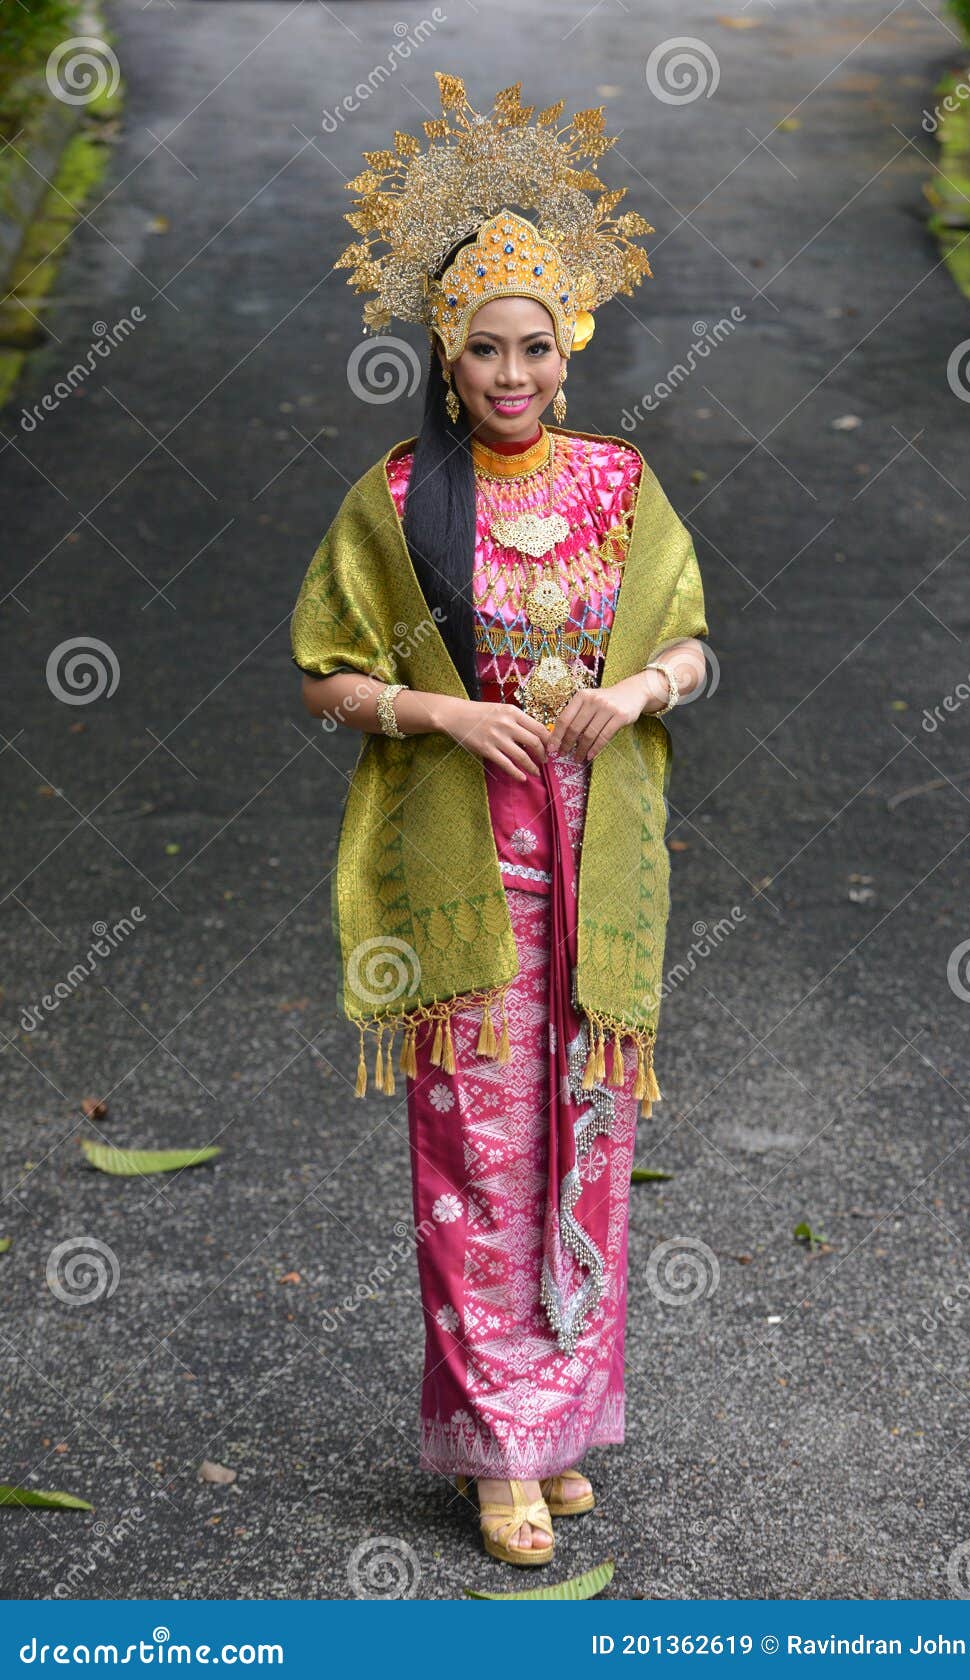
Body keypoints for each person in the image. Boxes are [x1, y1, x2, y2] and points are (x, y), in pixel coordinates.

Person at [290, 73, 708, 1568]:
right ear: (445, 357)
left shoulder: (621, 489)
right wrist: (444, 714)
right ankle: (496, 1451)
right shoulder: (402, 498)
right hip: (465, 870)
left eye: (535, 345)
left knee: (585, 1139)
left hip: (599, 866)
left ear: (569, 346)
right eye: (484, 348)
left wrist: (637, 688)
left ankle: (561, 1424)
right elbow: (324, 674)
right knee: (474, 1155)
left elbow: (696, 647)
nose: (512, 372)